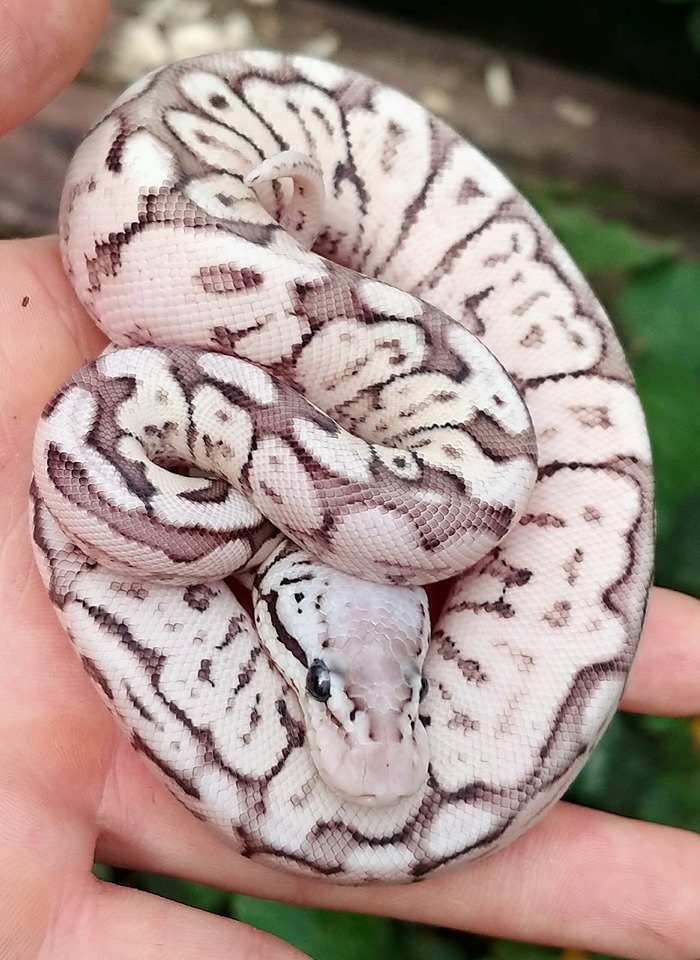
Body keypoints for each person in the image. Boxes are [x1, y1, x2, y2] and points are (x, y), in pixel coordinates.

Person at [2, 2, 699, 957]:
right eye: (407, 700)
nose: (384, 770)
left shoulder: (150, 462)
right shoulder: (197, 467)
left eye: (414, 700)